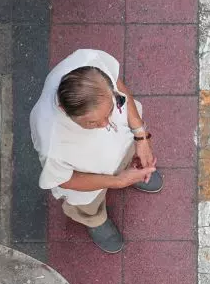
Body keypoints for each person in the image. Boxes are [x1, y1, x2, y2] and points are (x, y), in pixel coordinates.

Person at [30, 49, 162, 253]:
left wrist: (140, 135)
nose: (105, 125)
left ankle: (129, 168)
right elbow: (65, 179)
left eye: (110, 111)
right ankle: (94, 219)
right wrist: (118, 182)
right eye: (92, 123)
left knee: (125, 153)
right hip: (88, 178)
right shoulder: (52, 142)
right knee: (87, 202)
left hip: (122, 144)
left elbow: (117, 84)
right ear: (66, 111)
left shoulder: (90, 62)